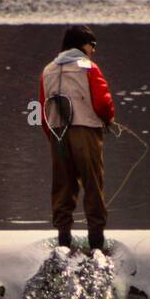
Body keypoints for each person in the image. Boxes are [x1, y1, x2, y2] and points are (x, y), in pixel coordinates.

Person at [38, 25, 116, 251]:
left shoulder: (48, 69)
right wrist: (108, 118)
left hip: (56, 133)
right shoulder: (88, 66)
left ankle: (63, 240)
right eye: (92, 45)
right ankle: (97, 243)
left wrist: (52, 136)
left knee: (62, 185)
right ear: (82, 45)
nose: (93, 50)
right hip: (85, 131)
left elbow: (42, 110)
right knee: (92, 183)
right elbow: (103, 102)